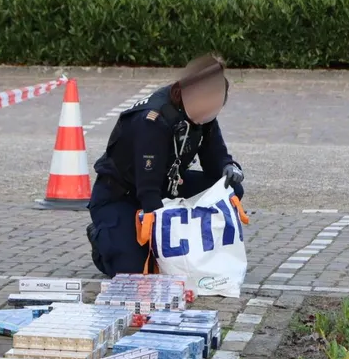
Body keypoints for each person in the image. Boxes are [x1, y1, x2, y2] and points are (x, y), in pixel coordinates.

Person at [87, 54, 244, 277]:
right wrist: (164, 239)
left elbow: (215, 158)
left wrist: (229, 167)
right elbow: (147, 187)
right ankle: (100, 238)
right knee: (133, 270)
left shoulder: (202, 113)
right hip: (124, 194)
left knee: (230, 189)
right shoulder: (152, 120)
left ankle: (200, 246)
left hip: (168, 184)